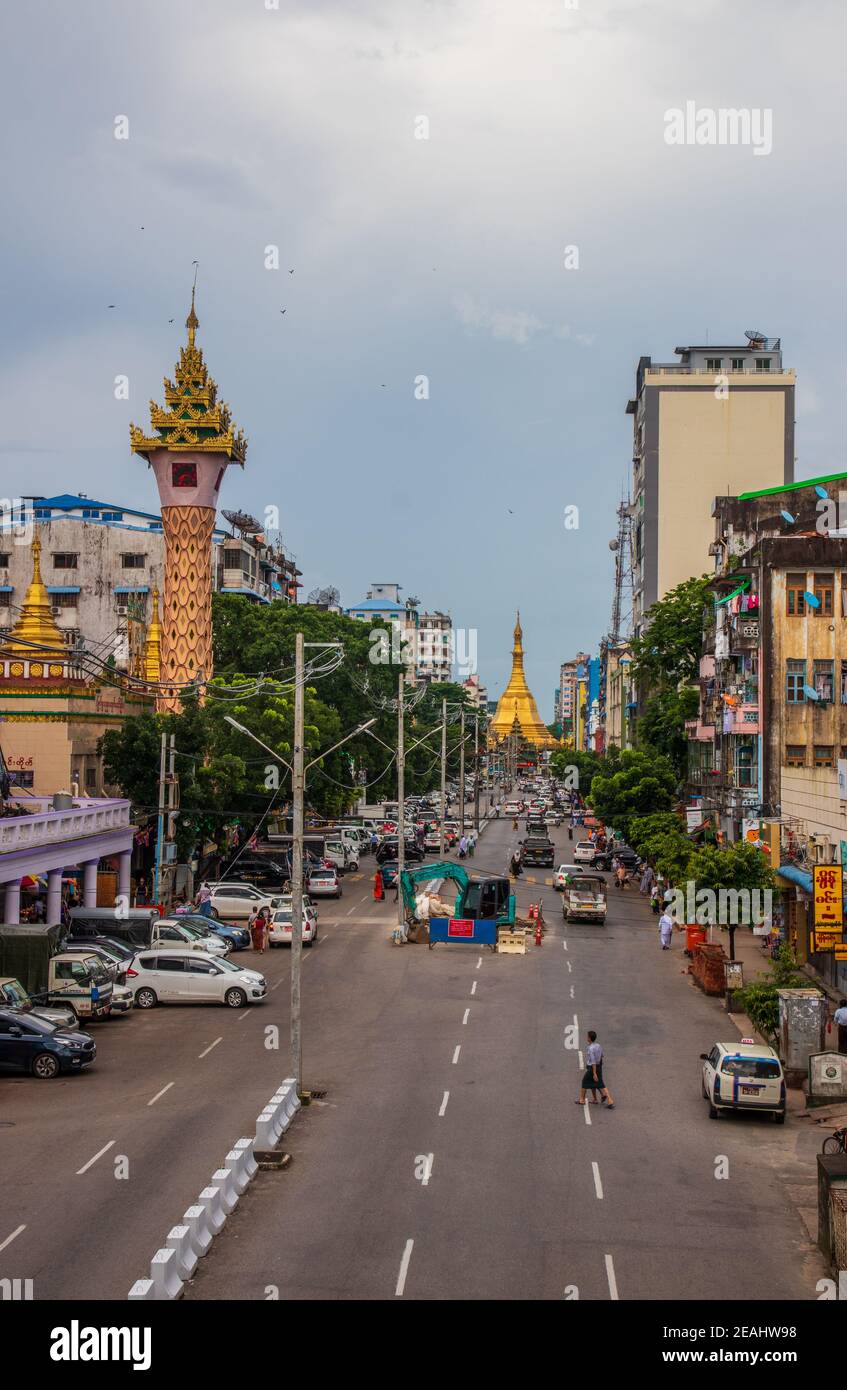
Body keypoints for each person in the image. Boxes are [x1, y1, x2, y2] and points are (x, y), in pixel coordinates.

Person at [576, 1030, 614, 1108]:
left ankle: (582, 1100)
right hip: (599, 1066)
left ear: (589, 1038)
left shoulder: (590, 1048)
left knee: (584, 1082)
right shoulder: (598, 1045)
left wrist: (594, 1073)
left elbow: (593, 1061)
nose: (587, 1037)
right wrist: (599, 1067)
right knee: (600, 1083)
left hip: (593, 1068)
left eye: (587, 1036)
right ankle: (604, 1099)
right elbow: (602, 1055)